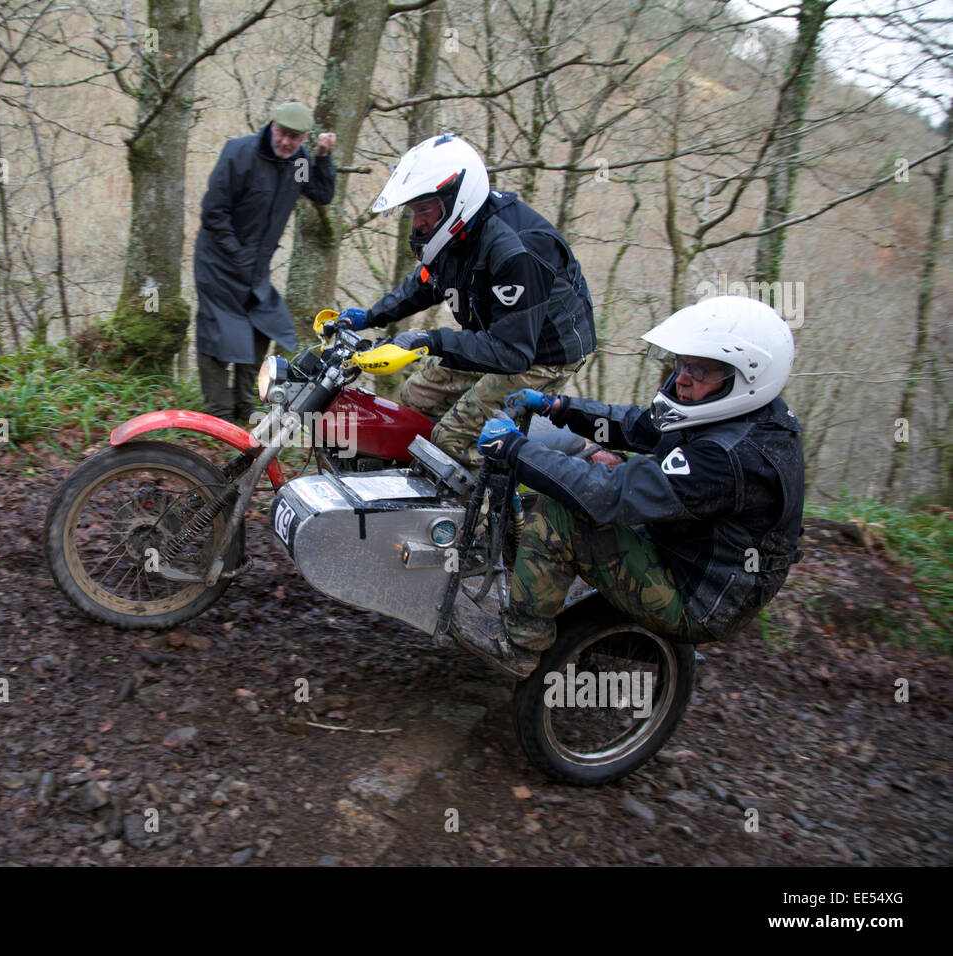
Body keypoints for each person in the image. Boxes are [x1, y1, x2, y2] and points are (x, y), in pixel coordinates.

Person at [455, 295, 805, 679]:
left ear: (746, 376)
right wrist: (560, 407)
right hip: (689, 547)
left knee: (561, 513)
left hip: (702, 595)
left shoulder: (732, 456)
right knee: (595, 462)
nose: (683, 378)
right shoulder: (729, 410)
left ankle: (518, 642)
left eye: (700, 371)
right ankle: (537, 591)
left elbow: (609, 497)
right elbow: (640, 425)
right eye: (682, 363)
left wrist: (515, 450)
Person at [336, 134, 595, 465]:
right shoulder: (456, 233)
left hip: (541, 355)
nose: (418, 222)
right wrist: (371, 315)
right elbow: (426, 283)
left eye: (424, 210)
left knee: (450, 439)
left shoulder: (516, 251)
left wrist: (429, 340)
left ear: (457, 198)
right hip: (497, 340)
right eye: (413, 211)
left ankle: (486, 512)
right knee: (412, 399)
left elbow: (514, 354)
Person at [194, 102, 337, 423]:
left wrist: (324, 158)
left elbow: (321, 193)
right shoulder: (239, 153)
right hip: (217, 261)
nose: (287, 142)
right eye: (284, 134)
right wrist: (239, 255)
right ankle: (218, 415)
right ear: (272, 125)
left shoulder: (298, 161)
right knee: (217, 333)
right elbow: (213, 213)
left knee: (261, 327)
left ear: (304, 138)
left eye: (296, 137)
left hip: (254, 268)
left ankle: (244, 405)